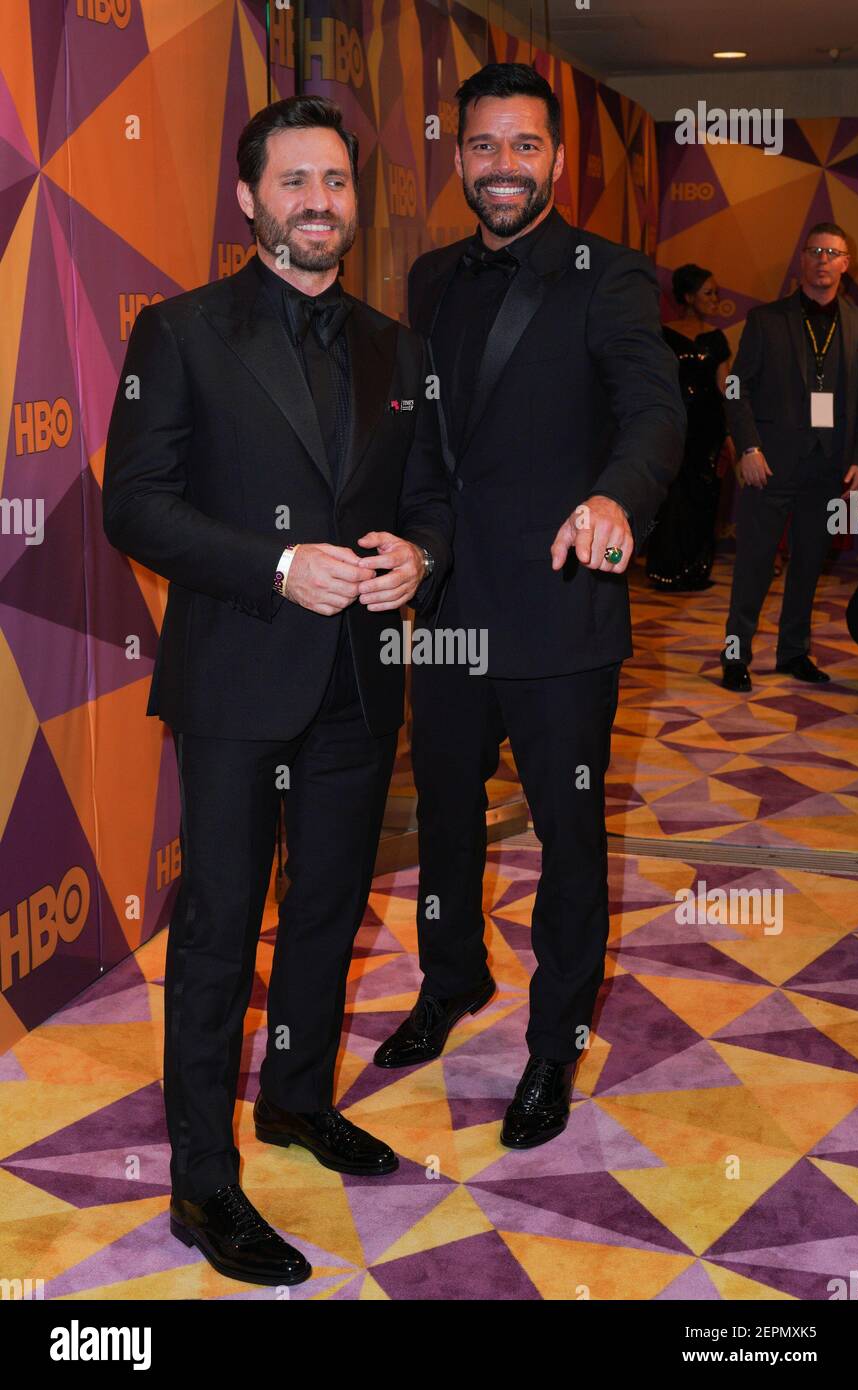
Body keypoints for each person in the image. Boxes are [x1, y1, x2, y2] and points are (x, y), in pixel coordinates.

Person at [102, 95, 452, 1287]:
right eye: (294, 181)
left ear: (357, 200)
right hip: (237, 683)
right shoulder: (181, 332)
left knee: (327, 909)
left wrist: (422, 557)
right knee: (216, 933)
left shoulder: (397, 349)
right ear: (249, 199)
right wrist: (275, 565)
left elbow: (429, 500)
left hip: (359, 682)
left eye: (337, 182)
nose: (319, 202)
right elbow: (134, 504)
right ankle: (202, 1180)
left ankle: (295, 1099)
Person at [372, 63, 685, 1150]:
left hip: (560, 610)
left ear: (556, 157)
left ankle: (555, 1043)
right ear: (458, 156)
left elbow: (654, 412)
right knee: (446, 822)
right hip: (453, 607)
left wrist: (615, 493)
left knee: (571, 838)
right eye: (484, 147)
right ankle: (450, 980)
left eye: (525, 146)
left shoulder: (611, 275)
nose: (504, 166)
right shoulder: (429, 279)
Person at [721, 221, 858, 692]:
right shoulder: (767, 319)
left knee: (808, 565)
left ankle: (793, 652)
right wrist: (747, 447)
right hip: (769, 464)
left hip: (830, 467)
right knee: (754, 566)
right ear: (802, 260)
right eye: (814, 251)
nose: (823, 259)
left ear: (847, 264)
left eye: (833, 252)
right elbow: (736, 389)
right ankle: (734, 655)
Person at [645, 264, 733, 590]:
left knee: (705, 494)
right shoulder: (663, 333)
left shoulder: (716, 338)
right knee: (671, 496)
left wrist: (742, 407)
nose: (714, 299)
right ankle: (665, 567)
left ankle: (697, 569)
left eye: (716, 293)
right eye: (708, 293)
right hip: (674, 424)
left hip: (708, 427)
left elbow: (726, 386)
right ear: (687, 296)